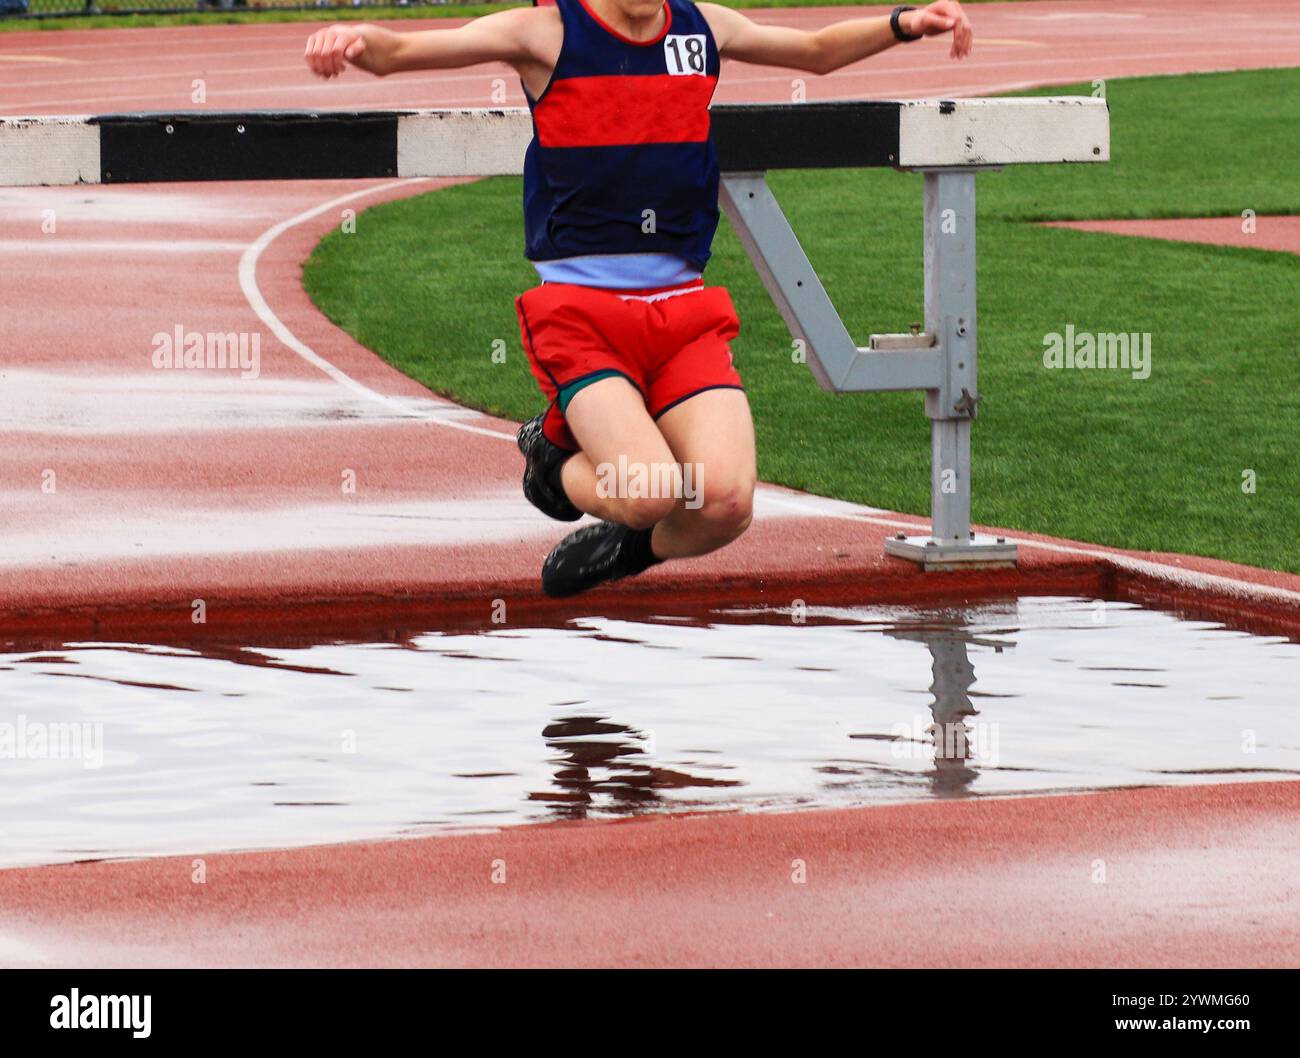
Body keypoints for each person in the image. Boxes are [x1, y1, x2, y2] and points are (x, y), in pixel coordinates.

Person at [305, 0, 973, 596]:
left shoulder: (702, 26)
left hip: (683, 314)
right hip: (582, 316)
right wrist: (355, 39)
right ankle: (553, 461)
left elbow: (817, 53)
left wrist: (905, 22)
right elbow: (403, 53)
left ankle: (627, 551)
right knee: (649, 490)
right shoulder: (547, 30)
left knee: (725, 503)